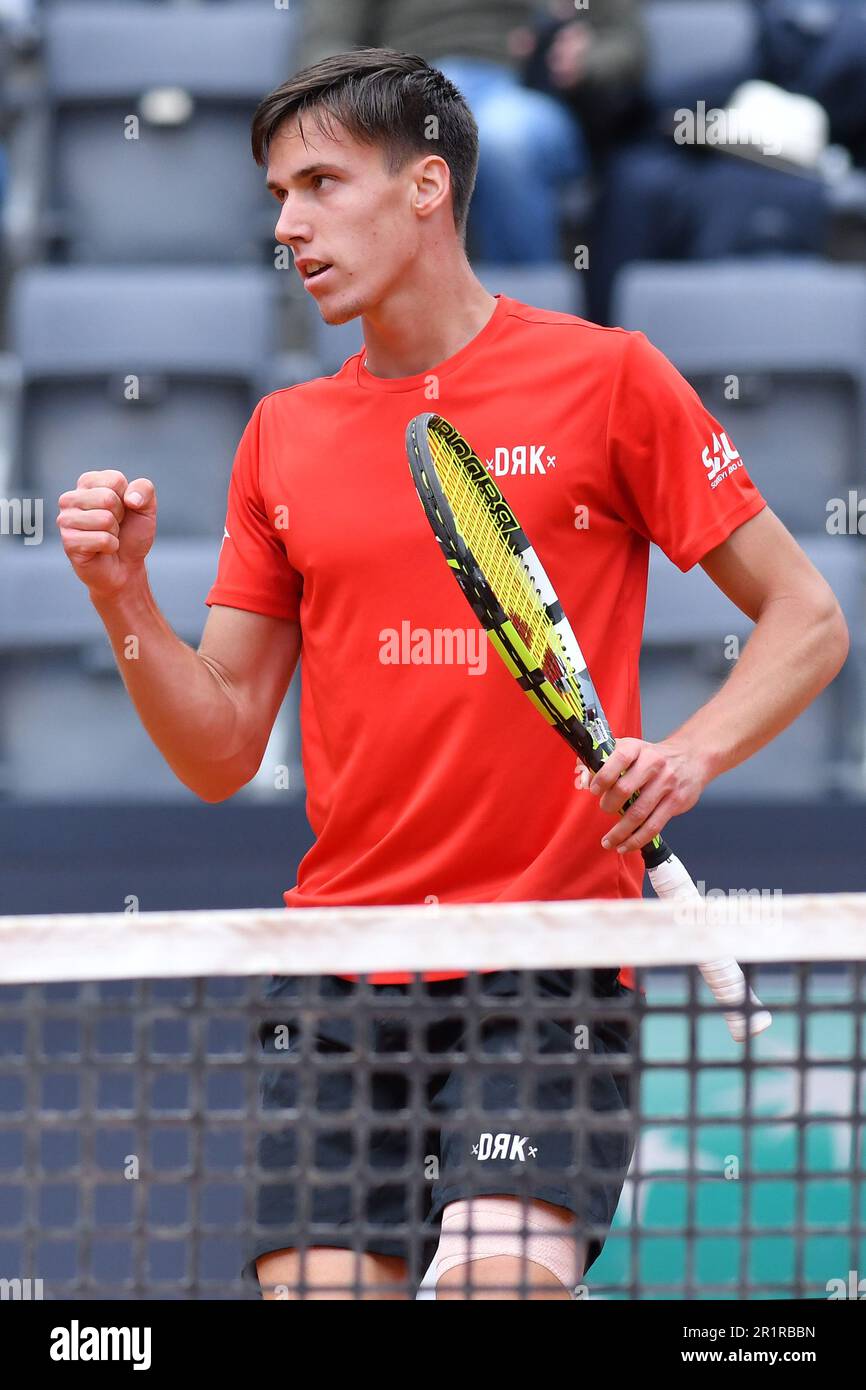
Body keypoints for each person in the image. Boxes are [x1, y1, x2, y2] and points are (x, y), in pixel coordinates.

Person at [55, 49, 848, 1300]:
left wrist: (688, 752)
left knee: (498, 1289)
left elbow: (805, 618)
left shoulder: (607, 378)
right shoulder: (283, 437)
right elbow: (216, 753)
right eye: (275, 195)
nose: (288, 224)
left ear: (426, 185)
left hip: (550, 958)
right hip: (339, 968)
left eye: (319, 182)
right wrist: (122, 600)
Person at [298, 0, 644, 261]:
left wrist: (585, 60)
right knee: (399, 145)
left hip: (522, 91)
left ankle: (528, 329)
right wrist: (368, 92)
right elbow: (324, 45)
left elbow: (625, 43)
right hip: (405, 86)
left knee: (504, 139)